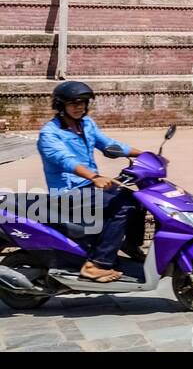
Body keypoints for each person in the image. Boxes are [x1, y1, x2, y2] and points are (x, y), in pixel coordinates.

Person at [36, 81, 144, 282]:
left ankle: (130, 244)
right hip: (68, 194)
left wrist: (145, 155)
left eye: (83, 103)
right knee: (124, 204)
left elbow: (109, 145)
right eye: (74, 103)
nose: (79, 107)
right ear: (61, 105)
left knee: (139, 198)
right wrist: (94, 177)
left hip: (88, 186)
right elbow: (66, 160)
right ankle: (97, 265)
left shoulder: (86, 124)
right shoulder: (49, 134)